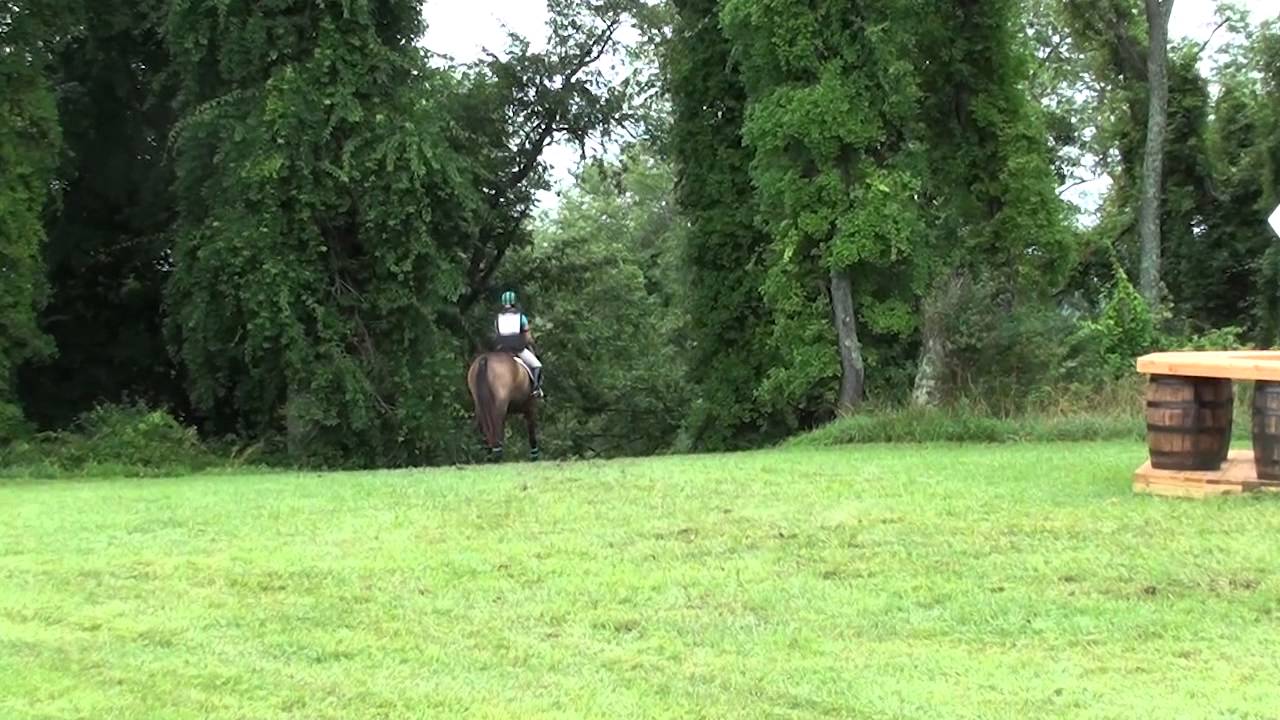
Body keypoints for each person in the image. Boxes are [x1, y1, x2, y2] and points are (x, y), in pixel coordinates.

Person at [494, 290, 544, 397]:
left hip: (501, 349)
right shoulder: (521, 317)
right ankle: (536, 389)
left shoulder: (498, 318)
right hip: (517, 348)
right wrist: (532, 343)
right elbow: (527, 336)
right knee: (537, 365)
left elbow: (497, 333)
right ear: (514, 302)